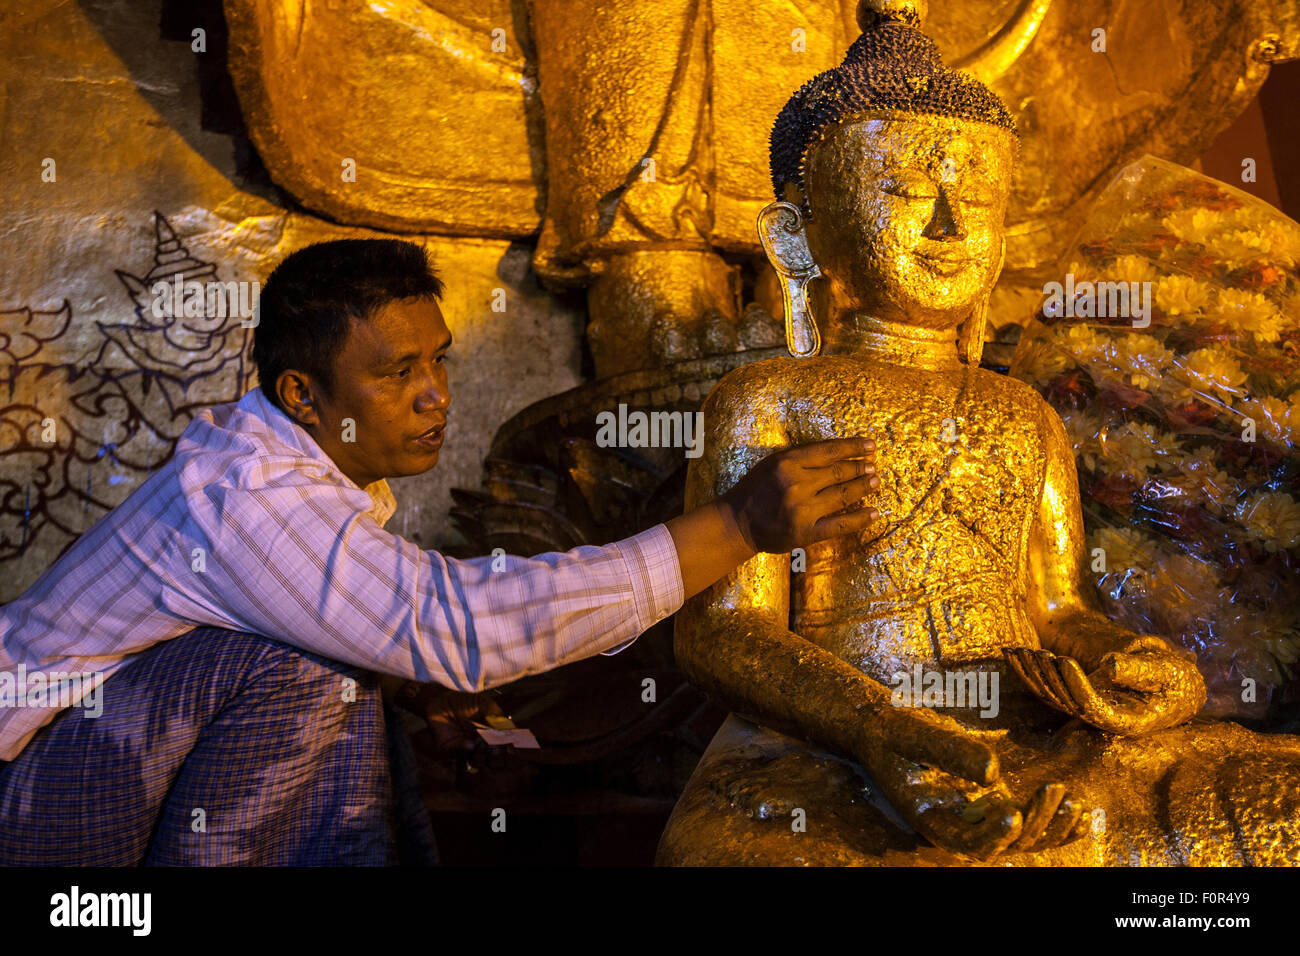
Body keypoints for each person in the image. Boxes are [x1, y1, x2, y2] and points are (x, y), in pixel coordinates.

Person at [0, 238, 879, 865]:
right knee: (307, 666)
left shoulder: (291, 468)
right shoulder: (246, 498)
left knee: (362, 670)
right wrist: (733, 528)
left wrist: (413, 688)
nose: (434, 398)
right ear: (303, 394)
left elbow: (417, 634)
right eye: (395, 374)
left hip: (77, 782)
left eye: (439, 362)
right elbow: (454, 624)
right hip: (24, 801)